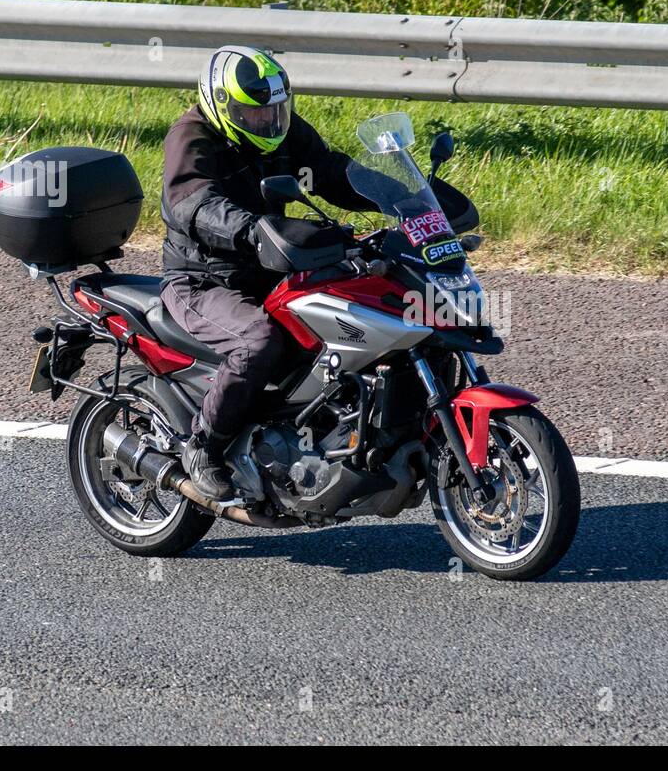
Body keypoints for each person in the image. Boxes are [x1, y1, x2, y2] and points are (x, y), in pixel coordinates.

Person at [159, 45, 469, 500]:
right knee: (258, 341)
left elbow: (333, 173)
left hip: (277, 264)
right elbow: (193, 203)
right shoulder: (192, 139)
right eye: (254, 113)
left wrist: (405, 199)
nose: (268, 122)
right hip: (204, 279)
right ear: (223, 106)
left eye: (275, 111)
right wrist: (253, 230)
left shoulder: (283, 134)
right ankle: (204, 445)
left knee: (363, 314)